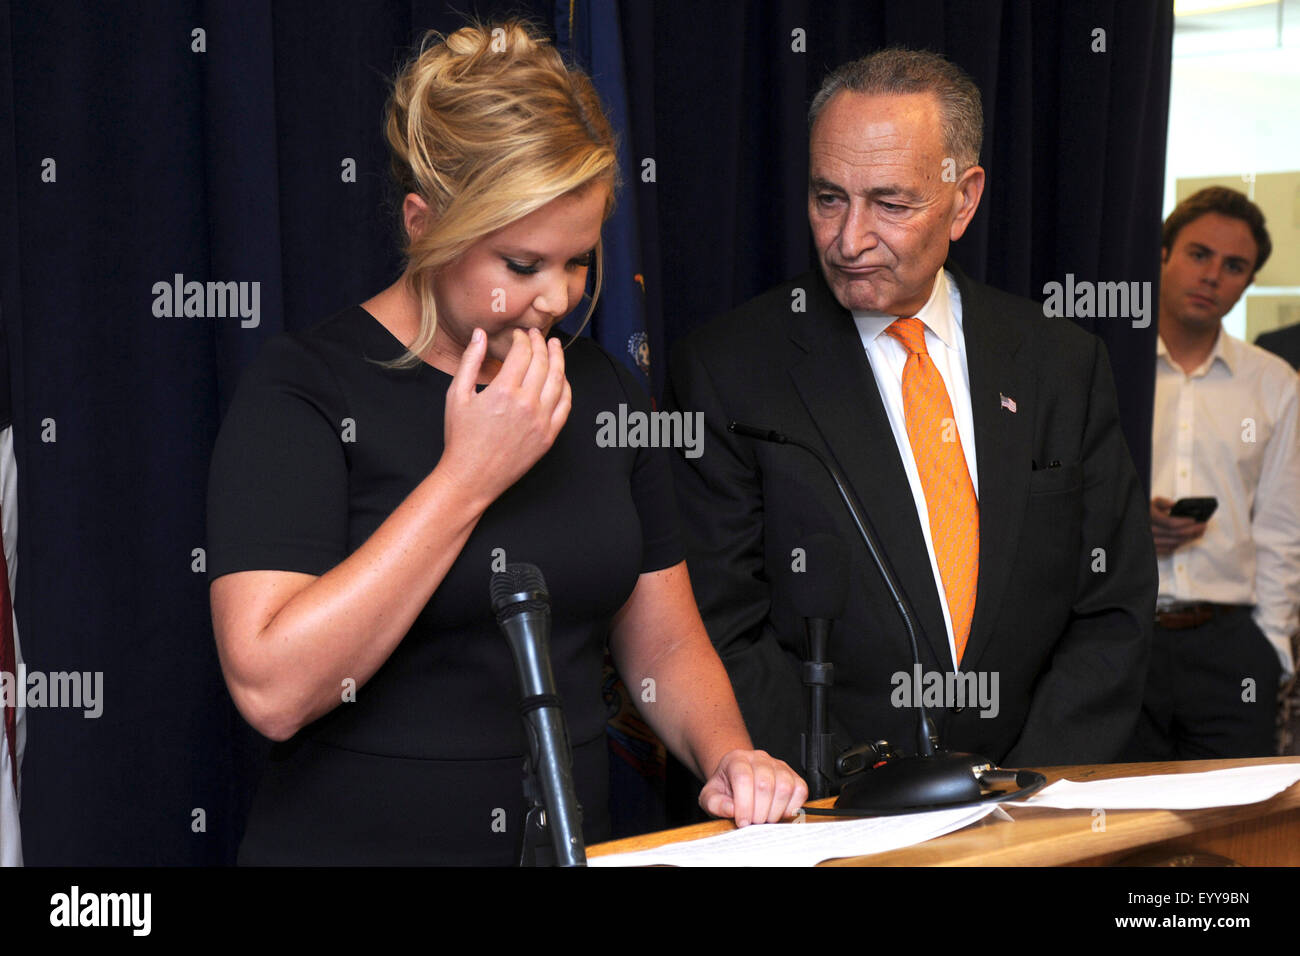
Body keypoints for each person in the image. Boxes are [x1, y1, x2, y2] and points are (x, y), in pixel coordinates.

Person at [206, 21, 804, 865]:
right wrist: (466, 477)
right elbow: (270, 687)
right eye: (521, 265)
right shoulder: (305, 388)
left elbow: (663, 642)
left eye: (579, 262)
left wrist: (727, 752)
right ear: (423, 226)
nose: (555, 299)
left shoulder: (598, 387)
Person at [665, 49, 1156, 777]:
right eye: (829, 197)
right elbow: (719, 626)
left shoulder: (1061, 363)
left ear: (964, 199)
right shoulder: (731, 369)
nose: (850, 239)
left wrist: (1025, 795)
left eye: (891, 204)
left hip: (1034, 809)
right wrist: (854, 796)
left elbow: (1112, 610)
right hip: (831, 814)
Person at [1135, 186, 1300, 759]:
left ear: (1248, 282)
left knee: (1234, 837)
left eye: (1234, 267)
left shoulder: (1274, 383)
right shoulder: (1104, 364)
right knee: (1119, 837)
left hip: (1232, 648)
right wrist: (1131, 525)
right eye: (1198, 254)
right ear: (1162, 255)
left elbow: (1282, 525)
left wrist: (1272, 645)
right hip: (1122, 638)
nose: (1212, 276)